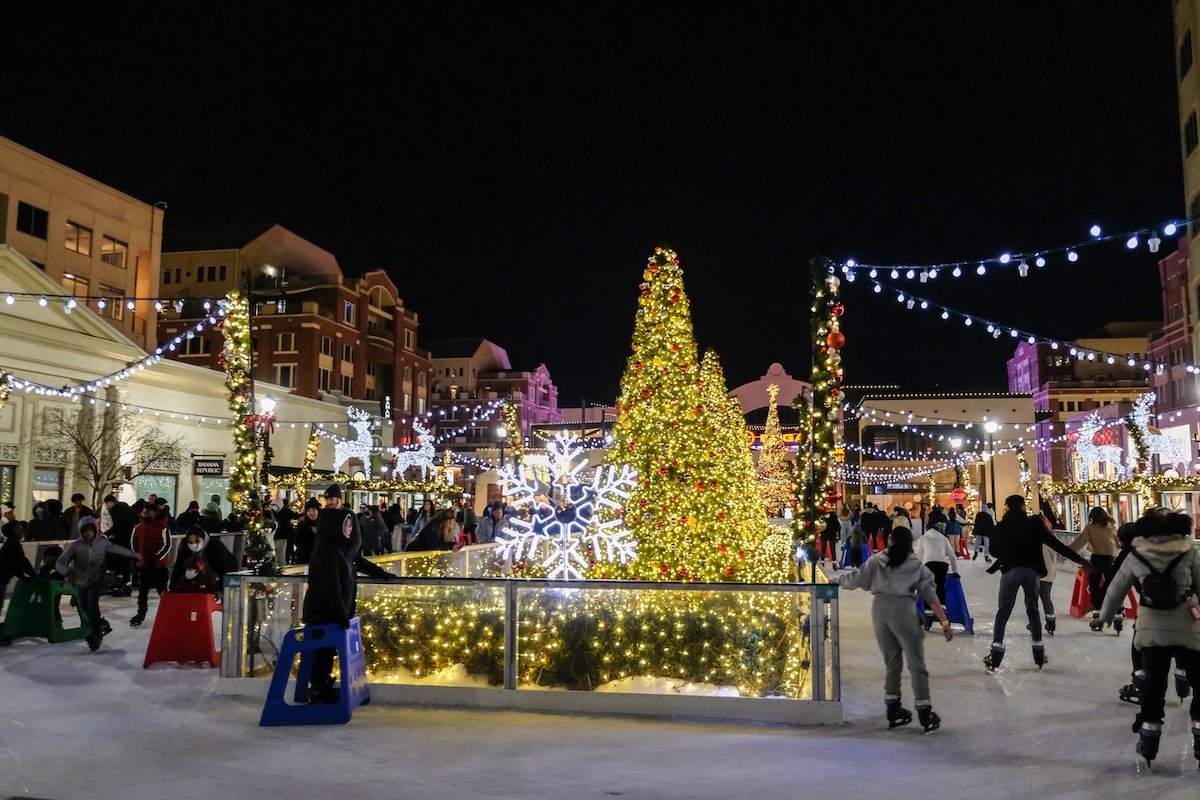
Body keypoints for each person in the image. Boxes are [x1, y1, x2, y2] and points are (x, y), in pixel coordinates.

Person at [1091, 508, 1200, 765]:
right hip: (1188, 628)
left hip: (1151, 631)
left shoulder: (1136, 555)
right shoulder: (1190, 552)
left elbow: (1117, 587)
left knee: (1154, 683)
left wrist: (1105, 617)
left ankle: (1149, 736)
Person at [832, 527, 953, 733]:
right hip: (904, 611)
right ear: (910, 543)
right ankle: (924, 711)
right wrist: (944, 623)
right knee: (916, 663)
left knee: (892, 662)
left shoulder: (877, 560)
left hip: (880, 611)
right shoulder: (916, 566)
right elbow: (932, 597)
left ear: (890, 540)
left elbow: (855, 579)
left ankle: (893, 708)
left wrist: (836, 581)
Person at [984, 495, 1091, 671]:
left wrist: (1007, 553)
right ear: (1022, 507)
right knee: (1032, 609)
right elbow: (1055, 544)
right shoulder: (1033, 525)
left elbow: (994, 551)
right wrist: (1079, 559)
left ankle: (996, 652)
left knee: (1003, 611)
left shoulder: (1001, 526)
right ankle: (1038, 651)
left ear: (1007, 507)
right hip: (1031, 572)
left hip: (1010, 571)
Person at [303, 483, 359, 705]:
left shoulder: (337, 547)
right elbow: (330, 586)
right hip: (322, 612)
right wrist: (340, 613)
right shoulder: (327, 550)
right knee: (324, 650)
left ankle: (321, 685)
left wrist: (380, 572)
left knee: (327, 651)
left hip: (329, 611)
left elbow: (355, 559)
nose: (349, 530)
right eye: (346, 526)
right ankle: (318, 687)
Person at [56, 517, 141, 652]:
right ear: (81, 532)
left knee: (92, 607)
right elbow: (60, 562)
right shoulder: (75, 546)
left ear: (95, 530)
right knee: (84, 608)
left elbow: (118, 550)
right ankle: (101, 625)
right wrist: (68, 572)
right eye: (85, 531)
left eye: (91, 530)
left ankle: (95, 634)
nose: (88, 533)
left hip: (95, 581)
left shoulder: (101, 543)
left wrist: (134, 556)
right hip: (80, 582)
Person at [1070, 506, 1121, 625]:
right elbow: (1119, 543)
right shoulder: (1111, 527)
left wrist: (1068, 551)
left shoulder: (1090, 528)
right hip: (1110, 559)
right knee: (1111, 584)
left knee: (1094, 584)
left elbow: (1080, 541)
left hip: (1097, 559)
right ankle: (1116, 609)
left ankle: (1096, 605)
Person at [130, 504, 170, 627]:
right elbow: (134, 545)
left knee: (162, 591)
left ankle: (169, 612)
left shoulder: (163, 529)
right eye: (144, 512)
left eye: (148, 512)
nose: (145, 515)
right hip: (144, 566)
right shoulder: (138, 528)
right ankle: (141, 612)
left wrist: (156, 559)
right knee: (143, 591)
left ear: (155, 514)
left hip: (159, 566)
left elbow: (166, 546)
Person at [915, 517, 958, 630]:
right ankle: (942, 610)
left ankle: (928, 615)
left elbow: (919, 555)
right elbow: (952, 556)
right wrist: (955, 572)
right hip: (942, 565)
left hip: (928, 564)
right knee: (940, 588)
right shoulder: (943, 538)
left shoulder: (923, 538)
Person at [169, 527, 238, 591]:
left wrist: (220, 590)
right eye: (190, 542)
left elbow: (224, 568)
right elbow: (179, 566)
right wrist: (172, 587)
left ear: (204, 539)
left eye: (197, 541)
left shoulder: (215, 546)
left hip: (226, 571)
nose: (193, 544)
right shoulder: (185, 546)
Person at [0, 519, 36, 621]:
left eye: (22, 529)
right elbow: (21, 561)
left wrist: (22, 576)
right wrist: (32, 574)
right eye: (18, 530)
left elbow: (15, 563)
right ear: (12, 531)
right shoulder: (13, 544)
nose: (22, 532)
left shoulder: (11, 543)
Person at [101, 494, 137, 596]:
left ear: (110, 502)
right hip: (128, 537)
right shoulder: (126, 508)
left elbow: (117, 525)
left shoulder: (115, 510)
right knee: (125, 559)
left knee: (119, 560)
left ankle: (120, 580)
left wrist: (106, 534)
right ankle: (125, 580)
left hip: (120, 538)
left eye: (107, 504)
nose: (107, 507)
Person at [292, 498, 321, 565]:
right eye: (308, 510)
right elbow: (297, 541)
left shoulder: (323, 525)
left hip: (320, 560)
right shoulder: (302, 525)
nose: (311, 513)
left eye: (314, 510)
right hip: (304, 559)